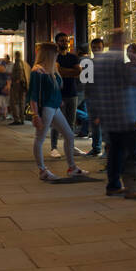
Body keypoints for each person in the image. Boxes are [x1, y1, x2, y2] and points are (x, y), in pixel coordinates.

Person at [86, 30, 136, 199]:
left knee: (115, 151)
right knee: (131, 152)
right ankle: (132, 188)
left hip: (109, 115)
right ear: (120, 42)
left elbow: (90, 87)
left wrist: (96, 112)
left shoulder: (100, 61)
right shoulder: (117, 61)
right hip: (123, 114)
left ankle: (113, 185)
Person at [29, 42, 87, 182]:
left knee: (69, 135)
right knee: (40, 138)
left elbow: (57, 87)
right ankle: (42, 170)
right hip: (46, 107)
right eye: (55, 52)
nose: (57, 54)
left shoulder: (52, 68)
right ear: (49, 54)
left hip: (54, 106)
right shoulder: (38, 71)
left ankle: (72, 167)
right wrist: (35, 114)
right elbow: (33, 95)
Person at [50, 31, 79, 158]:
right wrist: (69, 71)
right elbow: (56, 73)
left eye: (66, 40)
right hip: (58, 94)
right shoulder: (54, 57)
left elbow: (77, 72)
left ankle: (70, 146)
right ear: (57, 42)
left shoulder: (73, 57)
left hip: (72, 93)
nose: (65, 43)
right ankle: (54, 148)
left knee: (71, 122)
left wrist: (62, 71)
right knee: (56, 122)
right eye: (62, 40)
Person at [84, 38, 104, 156]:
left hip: (103, 97)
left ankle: (106, 149)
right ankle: (96, 147)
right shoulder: (88, 63)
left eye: (98, 48)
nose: (96, 50)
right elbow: (84, 80)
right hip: (91, 96)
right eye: (94, 48)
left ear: (102, 48)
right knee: (94, 123)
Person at [9, 50, 30, 125]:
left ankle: (17, 119)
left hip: (17, 85)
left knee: (15, 102)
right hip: (23, 85)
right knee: (22, 102)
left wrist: (17, 80)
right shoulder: (24, 63)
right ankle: (22, 118)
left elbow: (19, 72)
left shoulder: (18, 62)